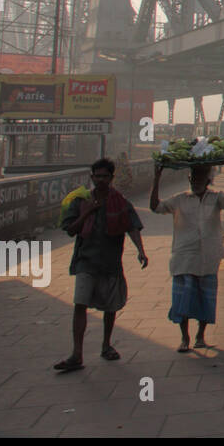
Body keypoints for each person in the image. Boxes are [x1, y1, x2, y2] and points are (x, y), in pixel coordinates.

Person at [53, 158, 148, 372]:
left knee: (110, 307)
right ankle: (77, 353)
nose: (101, 180)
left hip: (111, 261)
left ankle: (106, 345)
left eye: (105, 177)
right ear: (92, 178)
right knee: (80, 304)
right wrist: (88, 211)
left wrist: (141, 251)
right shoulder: (81, 201)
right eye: (98, 177)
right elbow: (70, 229)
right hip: (86, 261)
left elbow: (132, 226)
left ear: (111, 178)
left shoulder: (120, 202)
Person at [150, 161, 224, 352]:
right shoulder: (179, 199)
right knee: (182, 299)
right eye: (193, 178)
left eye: (200, 178)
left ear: (208, 180)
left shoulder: (216, 198)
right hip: (184, 256)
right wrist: (157, 178)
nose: (196, 182)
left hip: (208, 256)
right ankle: (185, 338)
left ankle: (200, 336)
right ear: (189, 179)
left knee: (205, 298)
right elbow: (155, 207)